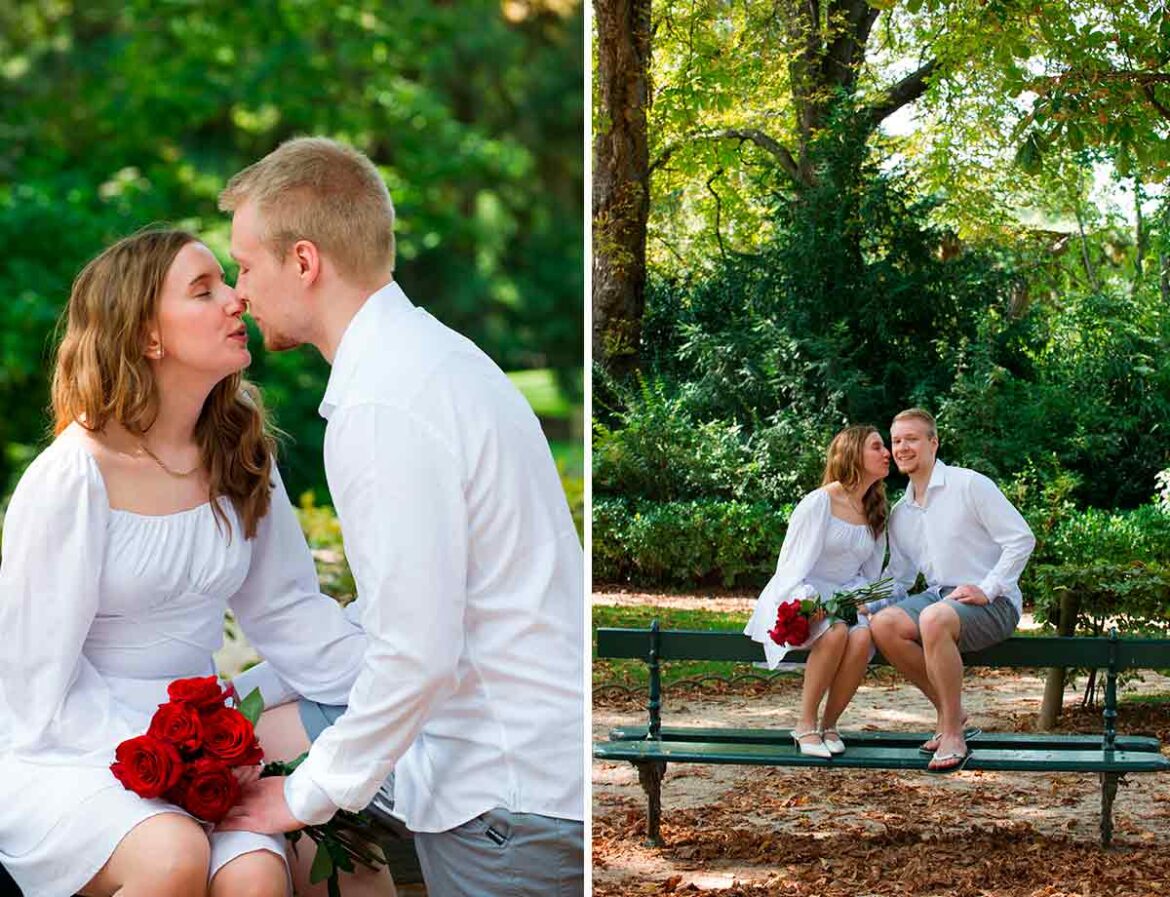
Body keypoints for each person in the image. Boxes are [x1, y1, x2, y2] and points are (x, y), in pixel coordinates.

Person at [216, 137, 585, 895]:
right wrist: (262, 684)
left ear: (304, 261)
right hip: (522, 775)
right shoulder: (433, 360)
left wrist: (304, 794)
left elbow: (415, 654)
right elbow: (406, 610)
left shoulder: (383, 406)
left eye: (245, 266)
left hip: (506, 802)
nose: (239, 292)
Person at [0, 229, 371, 897]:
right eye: (204, 291)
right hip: (72, 749)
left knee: (257, 877)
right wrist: (166, 758)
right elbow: (32, 682)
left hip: (204, 746)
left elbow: (289, 613)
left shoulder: (240, 452)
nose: (237, 299)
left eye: (226, 281)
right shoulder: (72, 477)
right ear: (148, 336)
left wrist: (397, 676)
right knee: (172, 853)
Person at [870, 408, 1035, 772]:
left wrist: (988, 588)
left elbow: (1021, 539)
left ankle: (952, 734)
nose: (902, 448)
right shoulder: (902, 512)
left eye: (912, 439)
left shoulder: (970, 485)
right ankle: (952, 713)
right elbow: (899, 577)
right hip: (940, 599)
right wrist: (866, 601)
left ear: (934, 443)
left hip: (995, 603)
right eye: (896, 441)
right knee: (883, 624)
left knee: (933, 617)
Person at [744, 425, 891, 757]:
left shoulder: (876, 509)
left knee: (862, 637)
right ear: (853, 453)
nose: (887, 454)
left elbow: (870, 574)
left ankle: (830, 724)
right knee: (836, 631)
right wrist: (809, 603)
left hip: (846, 596)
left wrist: (862, 600)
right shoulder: (819, 502)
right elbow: (791, 566)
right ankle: (805, 724)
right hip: (803, 592)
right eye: (877, 447)